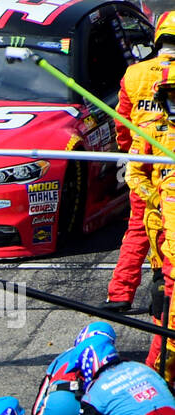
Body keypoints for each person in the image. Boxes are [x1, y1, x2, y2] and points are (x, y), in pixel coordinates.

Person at [108, 12, 175, 312]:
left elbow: (121, 123)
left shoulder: (134, 74)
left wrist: (129, 153)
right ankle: (167, 293)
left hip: (142, 158)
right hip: (169, 161)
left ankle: (120, 294)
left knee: (138, 226)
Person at [124, 66, 175, 374]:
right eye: (171, 97)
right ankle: (158, 381)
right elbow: (134, 173)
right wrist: (154, 195)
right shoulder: (149, 129)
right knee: (163, 311)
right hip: (163, 238)